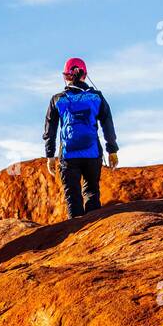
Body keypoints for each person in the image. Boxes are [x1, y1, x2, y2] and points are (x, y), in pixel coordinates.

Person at [43, 58, 119, 219]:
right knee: (91, 192)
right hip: (92, 154)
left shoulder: (58, 99)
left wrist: (50, 155)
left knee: (73, 197)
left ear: (66, 76)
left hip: (69, 156)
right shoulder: (96, 97)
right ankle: (95, 234)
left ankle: (77, 235)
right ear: (85, 75)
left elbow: (50, 129)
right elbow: (107, 124)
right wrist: (112, 150)